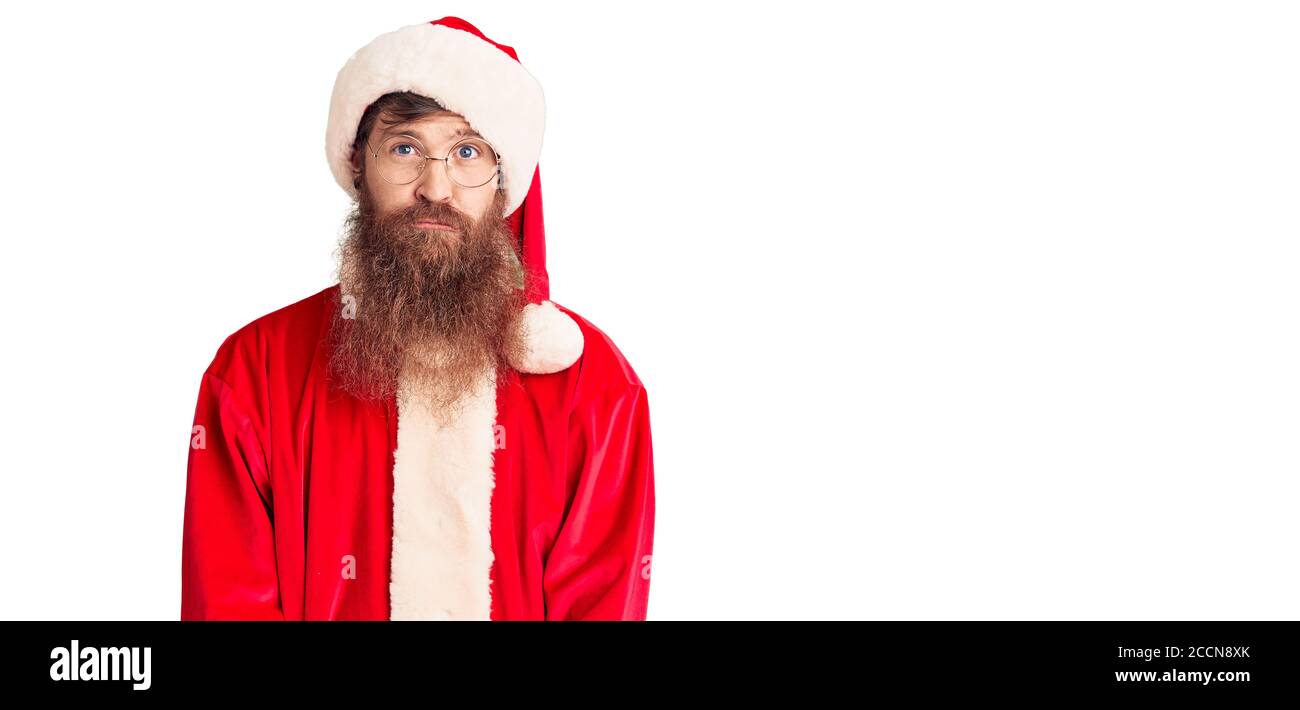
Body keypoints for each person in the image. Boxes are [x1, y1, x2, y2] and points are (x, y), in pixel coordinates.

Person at [181, 16, 655, 621]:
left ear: (502, 180)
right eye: (405, 147)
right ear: (359, 165)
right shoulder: (254, 371)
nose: (436, 186)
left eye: (467, 152)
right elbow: (224, 600)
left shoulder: (596, 389)